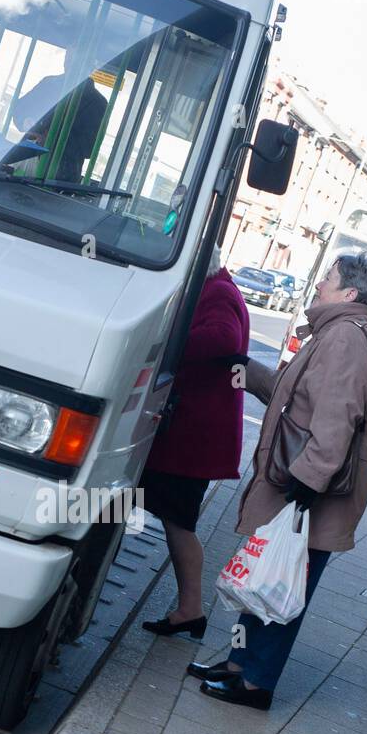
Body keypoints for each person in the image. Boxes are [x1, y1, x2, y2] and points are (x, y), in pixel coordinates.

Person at [190, 251, 367, 710]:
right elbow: (298, 395)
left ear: (350, 293)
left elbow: (338, 415)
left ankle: (257, 683)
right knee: (263, 576)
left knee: (283, 583)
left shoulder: (344, 337)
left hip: (304, 488)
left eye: (329, 277)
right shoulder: (337, 331)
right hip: (296, 481)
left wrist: (310, 479)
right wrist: (247, 370)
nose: (320, 283)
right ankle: (240, 664)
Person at [141, 248, 249, 640]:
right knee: (170, 518)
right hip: (190, 437)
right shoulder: (220, 287)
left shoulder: (218, 292)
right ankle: (189, 608)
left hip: (192, 437)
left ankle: (191, 608)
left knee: (175, 521)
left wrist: (170, 339)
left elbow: (223, 338)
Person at [12, 47, 107, 183]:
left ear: (90, 66)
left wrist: (52, 140)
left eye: (76, 62)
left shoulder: (97, 103)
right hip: (26, 157)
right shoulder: (48, 84)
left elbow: (89, 148)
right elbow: (19, 109)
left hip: (60, 174)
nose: (69, 64)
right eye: (68, 59)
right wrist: (27, 121)